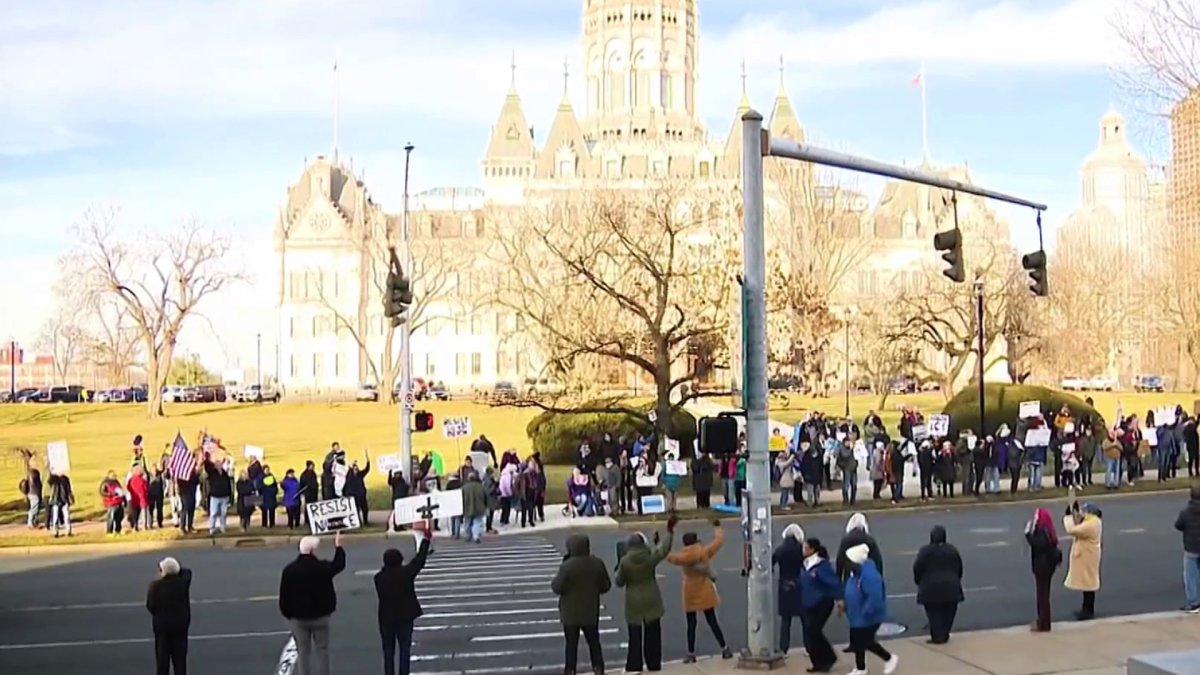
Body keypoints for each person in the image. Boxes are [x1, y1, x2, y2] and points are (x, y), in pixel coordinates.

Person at [279, 532, 347, 675]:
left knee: (303, 652)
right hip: (320, 616)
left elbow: (284, 596)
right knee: (322, 650)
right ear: (312, 551)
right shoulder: (321, 568)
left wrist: (288, 614)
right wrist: (338, 547)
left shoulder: (289, 570)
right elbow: (338, 565)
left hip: (298, 618)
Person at [615, 516, 677, 673]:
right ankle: (653, 663)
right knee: (653, 633)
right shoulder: (650, 557)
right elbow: (664, 550)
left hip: (633, 600)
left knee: (635, 636)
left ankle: (634, 663)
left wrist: (619, 567)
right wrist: (669, 532)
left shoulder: (625, 561)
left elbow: (619, 582)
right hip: (651, 597)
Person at [666, 521, 733, 662]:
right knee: (712, 620)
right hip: (705, 588)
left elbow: (668, 556)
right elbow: (718, 541)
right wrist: (717, 527)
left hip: (690, 590)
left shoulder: (682, 558)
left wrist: (659, 541)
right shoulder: (704, 552)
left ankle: (691, 653)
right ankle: (724, 648)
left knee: (691, 624)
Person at [552, 534, 612, 675]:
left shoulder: (567, 567)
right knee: (594, 642)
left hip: (570, 614)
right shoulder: (597, 563)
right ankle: (598, 668)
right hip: (590, 611)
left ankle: (570, 670)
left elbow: (557, 587)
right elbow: (605, 586)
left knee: (571, 645)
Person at [374, 537, 432, 675]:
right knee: (405, 649)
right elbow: (419, 561)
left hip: (386, 619)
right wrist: (426, 541)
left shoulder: (378, 578)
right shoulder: (406, 573)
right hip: (405, 617)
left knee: (388, 651)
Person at [843, 544, 899, 675]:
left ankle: (889, 658)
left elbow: (875, 598)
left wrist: (865, 612)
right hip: (856, 615)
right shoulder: (855, 573)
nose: (846, 563)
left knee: (866, 641)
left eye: (848, 560)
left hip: (867, 616)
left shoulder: (870, 575)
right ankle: (860, 668)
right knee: (857, 642)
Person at [912, 525, 964, 644]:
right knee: (949, 613)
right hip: (951, 587)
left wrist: (919, 581)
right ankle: (944, 633)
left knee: (933, 613)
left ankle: (937, 636)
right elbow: (959, 568)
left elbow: (917, 568)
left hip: (930, 587)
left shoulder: (925, 551)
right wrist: (956, 580)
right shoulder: (952, 550)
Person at [798, 537, 841, 672]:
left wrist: (839, 598)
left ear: (812, 550)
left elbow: (833, 583)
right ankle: (818, 663)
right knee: (810, 634)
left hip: (822, 603)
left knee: (813, 632)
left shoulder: (821, 566)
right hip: (808, 603)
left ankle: (829, 658)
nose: (803, 550)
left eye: (805, 548)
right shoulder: (806, 564)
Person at [146, 556, 191, 675]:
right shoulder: (183, 583)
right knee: (180, 661)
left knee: (162, 662)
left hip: (163, 629)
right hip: (180, 628)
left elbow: (151, 606)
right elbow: (187, 571)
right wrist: (174, 569)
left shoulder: (155, 586)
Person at [1062, 492, 1102, 621]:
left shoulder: (1092, 524)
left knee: (1089, 584)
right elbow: (1079, 521)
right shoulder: (1092, 521)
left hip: (1088, 556)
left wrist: (1068, 517)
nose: (1083, 512)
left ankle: (1088, 610)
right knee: (1087, 583)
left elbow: (1073, 530)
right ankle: (1086, 608)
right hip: (1087, 555)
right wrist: (1073, 512)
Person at [1024, 507, 1062, 631]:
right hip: (1046, 566)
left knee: (1042, 597)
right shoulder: (1047, 530)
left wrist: (1028, 535)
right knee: (1043, 595)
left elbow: (1039, 545)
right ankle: (1043, 621)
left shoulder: (1042, 531)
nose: (1034, 518)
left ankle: (1044, 623)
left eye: (1036, 516)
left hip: (1043, 567)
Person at [772, 523, 807, 654]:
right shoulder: (802, 549)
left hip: (785, 585)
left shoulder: (780, 549)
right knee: (805, 618)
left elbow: (771, 562)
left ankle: (783, 648)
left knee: (786, 620)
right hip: (800, 584)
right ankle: (809, 647)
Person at [1174, 484, 1200, 613]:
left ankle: (1194, 602)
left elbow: (1178, 525)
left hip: (1191, 547)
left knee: (1190, 576)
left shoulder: (1185, 512)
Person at [836, 512, 883, 583]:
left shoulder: (846, 540)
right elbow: (877, 560)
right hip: (867, 574)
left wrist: (838, 578)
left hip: (850, 575)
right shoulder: (869, 539)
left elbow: (840, 560)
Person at [460, 471, 488, 543]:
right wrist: (486, 506)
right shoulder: (481, 487)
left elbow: (461, 498)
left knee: (467, 522)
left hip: (467, 507)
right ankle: (476, 536)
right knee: (478, 522)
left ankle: (468, 535)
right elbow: (486, 497)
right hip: (479, 507)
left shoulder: (464, 488)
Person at [47, 470, 75, 537]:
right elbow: (49, 481)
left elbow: (68, 489)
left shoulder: (65, 479)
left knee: (66, 516)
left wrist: (70, 497)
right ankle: (55, 532)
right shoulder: (54, 479)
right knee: (55, 517)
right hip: (56, 499)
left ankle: (68, 531)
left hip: (64, 499)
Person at [100, 470, 125, 536]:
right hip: (111, 503)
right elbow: (102, 492)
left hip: (118, 502)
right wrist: (112, 494)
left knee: (119, 517)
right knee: (111, 517)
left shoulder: (116, 482)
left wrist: (123, 498)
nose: (114, 476)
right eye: (113, 475)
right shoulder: (105, 483)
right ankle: (109, 531)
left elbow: (120, 490)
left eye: (115, 475)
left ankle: (118, 531)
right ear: (108, 475)